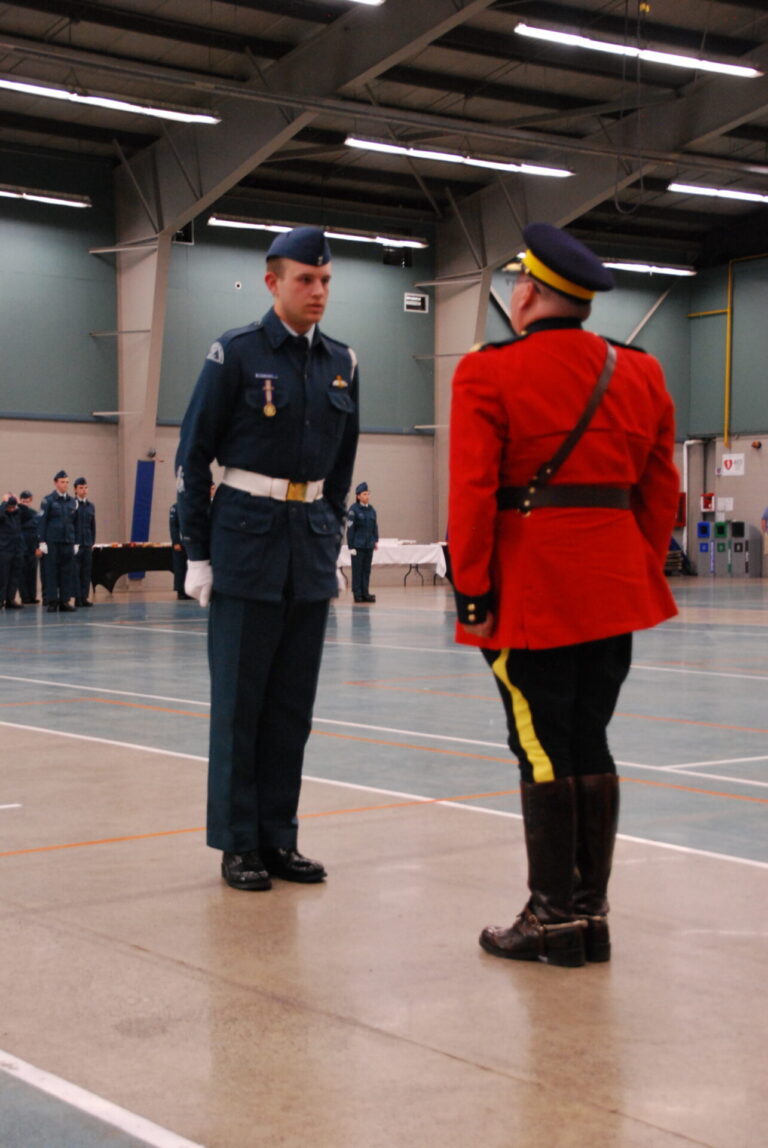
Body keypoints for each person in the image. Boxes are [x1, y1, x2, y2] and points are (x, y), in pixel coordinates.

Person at [448, 222, 679, 968]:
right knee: (589, 737)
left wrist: (473, 590)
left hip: (533, 588)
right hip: (613, 587)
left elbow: (474, 491)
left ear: (526, 294)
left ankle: (552, 920)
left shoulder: (487, 371)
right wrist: (632, 564)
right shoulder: (640, 370)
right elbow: (660, 489)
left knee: (541, 747)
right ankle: (590, 916)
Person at [175, 225, 359, 891]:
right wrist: (197, 553)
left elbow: (342, 467)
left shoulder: (342, 361)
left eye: (326, 280)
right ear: (273, 281)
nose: (318, 291)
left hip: (306, 552)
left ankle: (280, 838)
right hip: (245, 547)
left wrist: (332, 532)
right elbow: (193, 457)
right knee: (240, 708)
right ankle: (238, 843)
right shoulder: (237, 353)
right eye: (305, 279)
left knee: (290, 710)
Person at [38, 470, 77, 613]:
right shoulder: (48, 500)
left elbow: (75, 523)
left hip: (67, 541)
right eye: (62, 482)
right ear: (56, 483)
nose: (65, 484)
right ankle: (52, 601)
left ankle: (64, 601)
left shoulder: (72, 501)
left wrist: (76, 542)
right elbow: (42, 521)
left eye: (67, 482)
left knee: (67, 572)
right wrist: (41, 541)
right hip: (52, 542)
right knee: (51, 572)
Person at [346, 481, 379, 602]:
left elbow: (374, 526)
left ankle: (365, 593)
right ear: (358, 496)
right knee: (357, 571)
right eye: (364, 494)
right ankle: (357, 593)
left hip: (368, 545)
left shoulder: (371, 510)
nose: (367, 496)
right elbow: (350, 529)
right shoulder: (353, 510)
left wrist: (375, 540)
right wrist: (351, 546)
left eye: (368, 494)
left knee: (366, 571)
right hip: (358, 545)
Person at [73, 477, 96, 607]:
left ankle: (84, 596)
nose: (84, 490)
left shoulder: (90, 506)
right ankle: (77, 598)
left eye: (85, 487)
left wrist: (92, 541)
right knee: (76, 572)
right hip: (76, 544)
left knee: (86, 571)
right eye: (81, 488)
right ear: (75, 489)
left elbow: (93, 525)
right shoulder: (72, 504)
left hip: (87, 543)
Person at [0, 495, 23, 609]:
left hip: (16, 550)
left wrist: (19, 504)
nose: (12, 509)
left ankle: (10, 599)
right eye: (10, 507)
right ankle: (1, 600)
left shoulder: (17, 515)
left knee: (14, 577)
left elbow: (28, 513)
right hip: (4, 550)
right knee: (3, 577)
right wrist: (3, 504)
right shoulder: (3, 515)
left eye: (13, 507)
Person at [17, 491, 40, 603]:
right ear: (20, 501)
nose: (26, 503)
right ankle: (24, 597)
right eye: (23, 501)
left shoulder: (34, 513)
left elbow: (37, 530)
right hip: (21, 547)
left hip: (32, 547)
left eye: (28, 501)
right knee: (22, 573)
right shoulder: (17, 513)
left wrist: (37, 546)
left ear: (31, 501)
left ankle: (32, 596)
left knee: (32, 573)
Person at [169, 501, 190, 599]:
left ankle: (189, 590)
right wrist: (176, 541)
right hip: (180, 543)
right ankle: (181, 591)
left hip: (191, 542)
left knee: (190, 568)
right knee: (180, 568)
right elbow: (173, 526)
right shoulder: (176, 507)